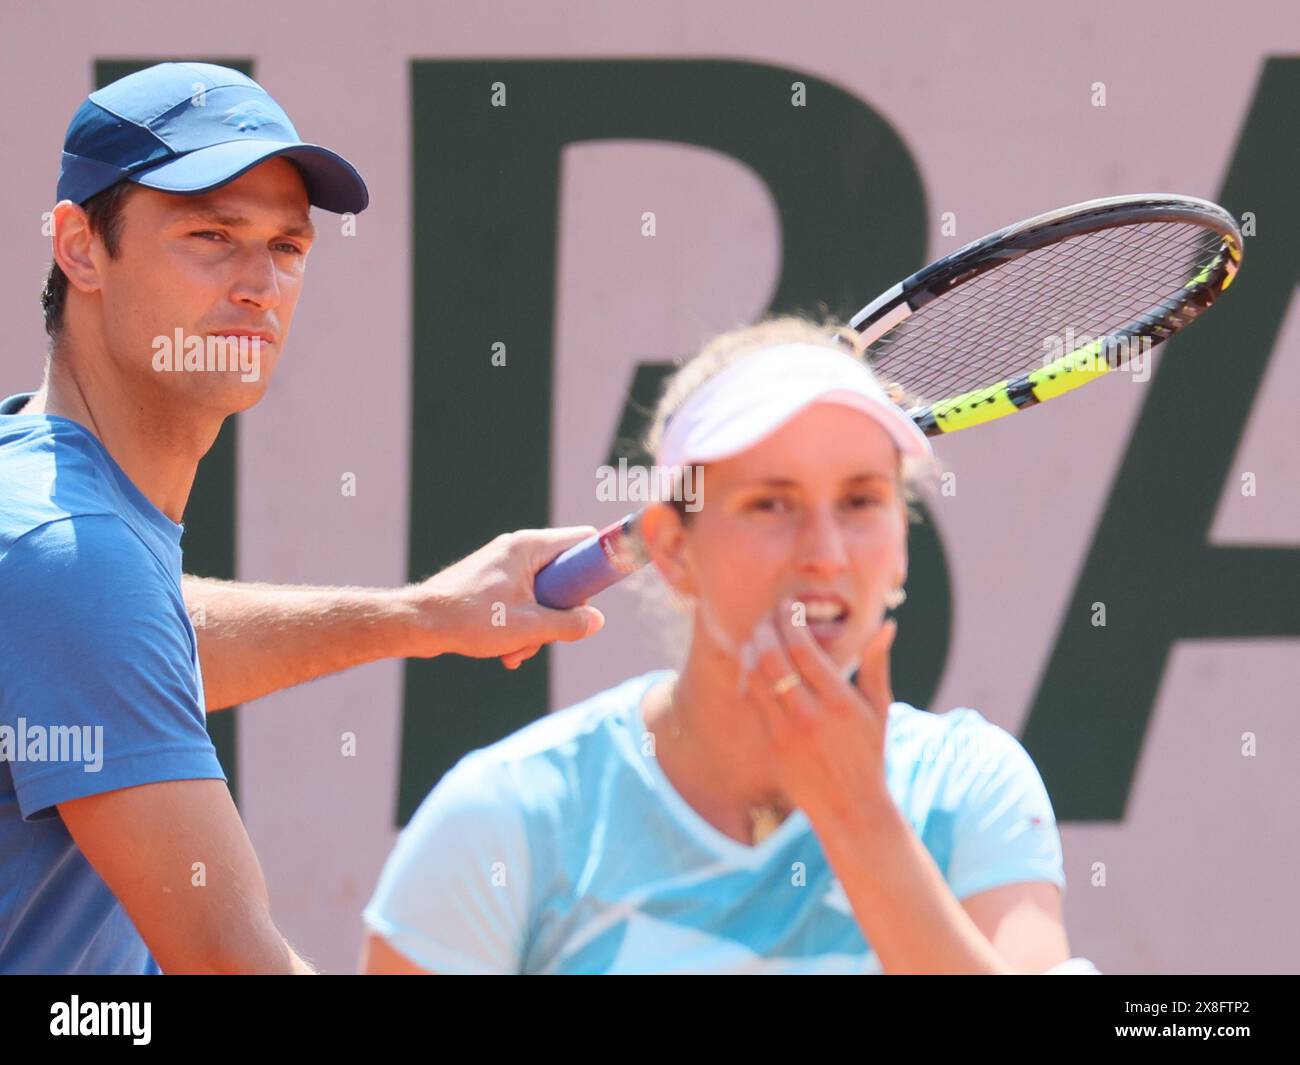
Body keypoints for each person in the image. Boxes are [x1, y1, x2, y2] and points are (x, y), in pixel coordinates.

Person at [0, 62, 602, 975]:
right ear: (80, 248)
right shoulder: (70, 558)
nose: (260, 284)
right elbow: (231, 962)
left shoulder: (42, 501)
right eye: (212, 235)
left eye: (287, 247)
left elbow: (139, 640)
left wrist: (423, 614)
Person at [362, 316, 1087, 974]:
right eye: (771, 503)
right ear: (675, 549)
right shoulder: (501, 819)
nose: (826, 552)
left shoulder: (974, 786)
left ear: (900, 547)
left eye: (862, 500)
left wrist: (858, 818)